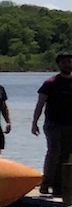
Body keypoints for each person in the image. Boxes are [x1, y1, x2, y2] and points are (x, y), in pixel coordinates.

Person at [31, 51, 72, 197]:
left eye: (70, 62)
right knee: (54, 152)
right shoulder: (51, 83)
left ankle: (59, 185)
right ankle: (46, 183)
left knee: (66, 155)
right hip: (53, 123)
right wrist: (34, 122)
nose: (68, 64)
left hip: (69, 125)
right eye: (65, 62)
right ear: (59, 64)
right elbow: (40, 104)